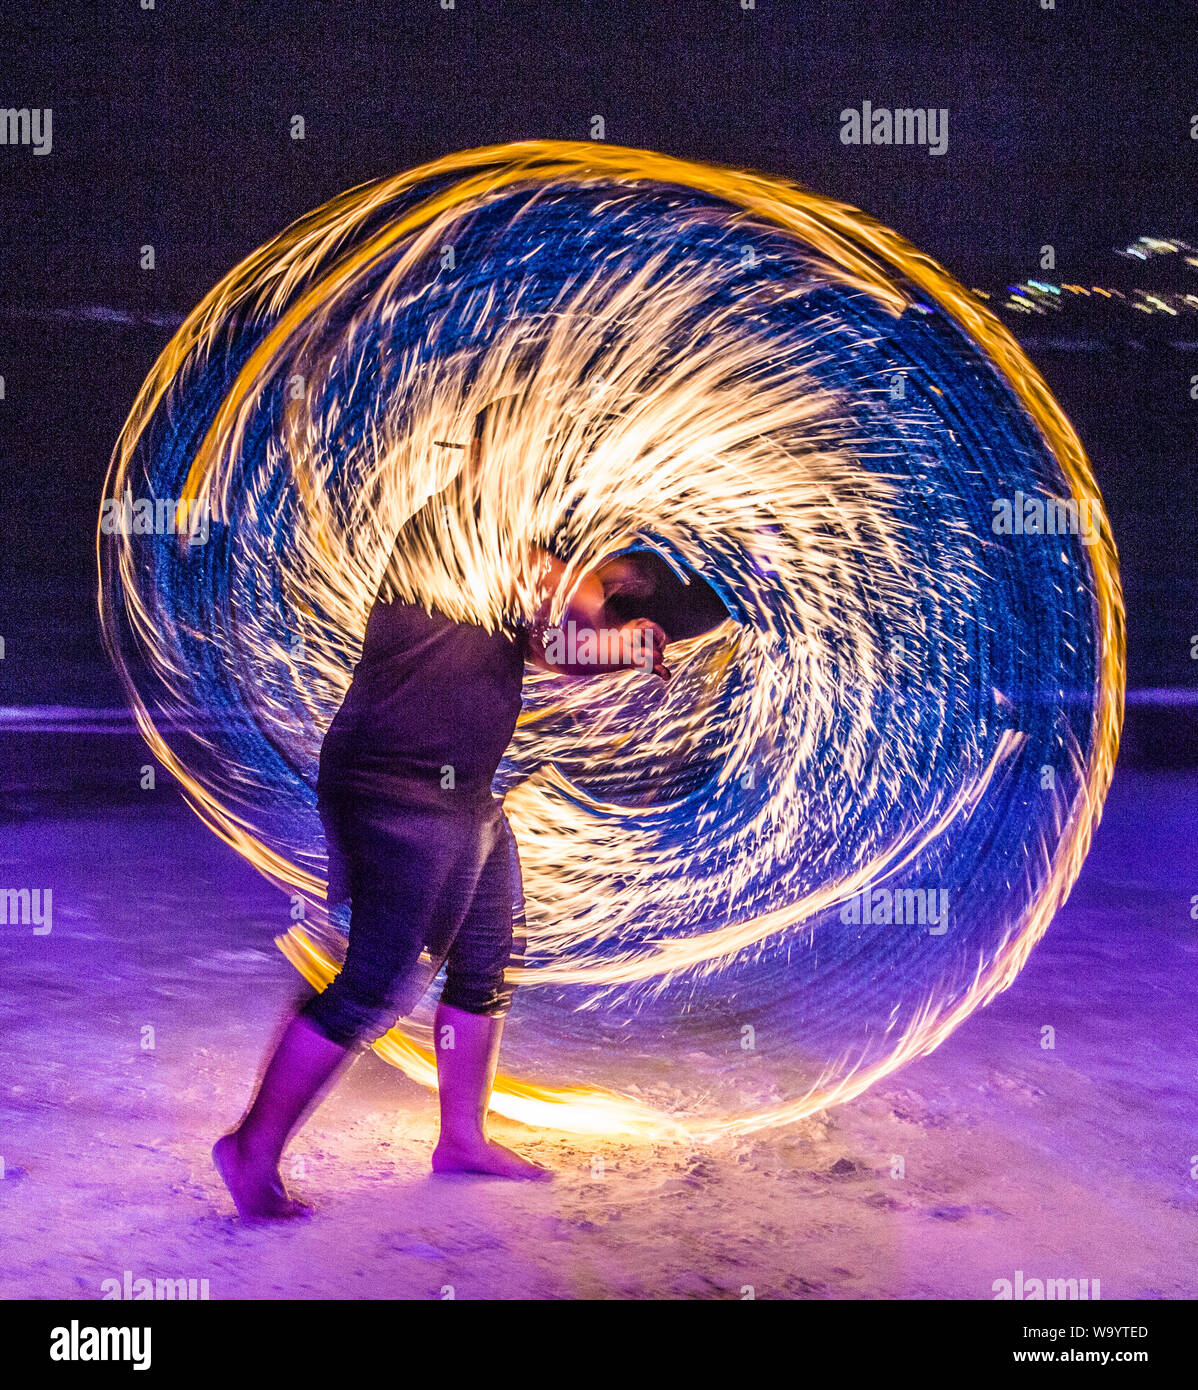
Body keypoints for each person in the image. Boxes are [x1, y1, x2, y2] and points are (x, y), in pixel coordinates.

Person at [213, 412, 671, 1222]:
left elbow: (549, 647)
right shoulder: (460, 531)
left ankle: (460, 1138)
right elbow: (566, 602)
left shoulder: (497, 551)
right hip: (399, 789)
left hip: (463, 791)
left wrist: (622, 643)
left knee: (486, 961)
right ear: (493, 457)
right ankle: (252, 1148)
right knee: (377, 983)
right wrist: (614, 592)